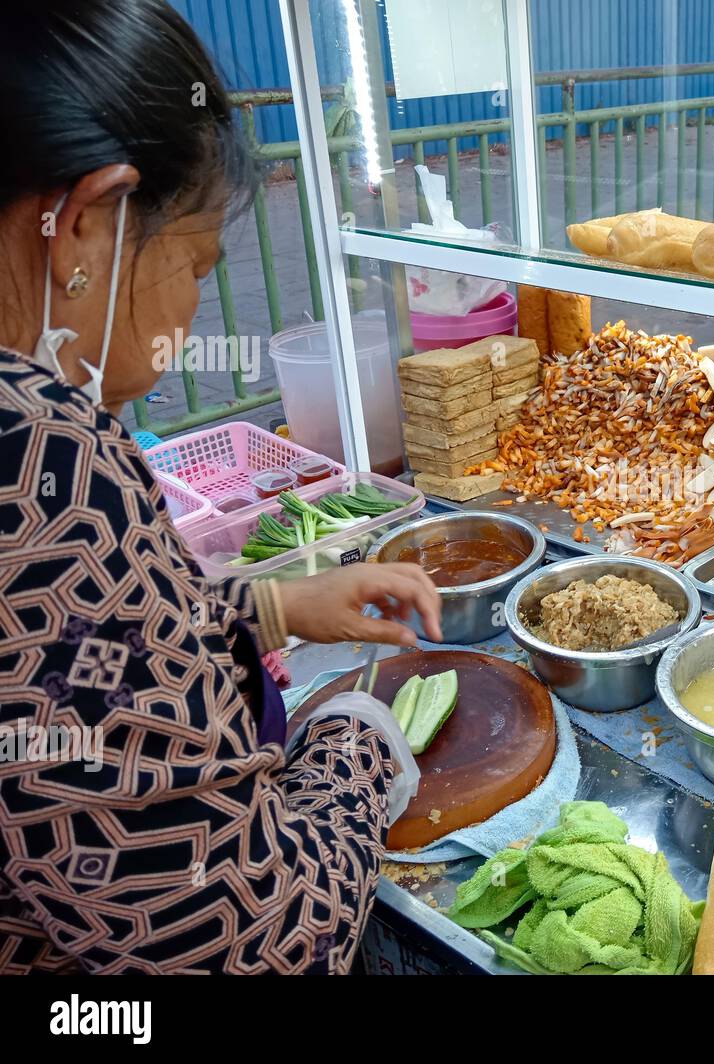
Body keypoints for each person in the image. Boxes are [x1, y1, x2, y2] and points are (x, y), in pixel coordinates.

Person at [0, 2, 440, 973]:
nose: (194, 315)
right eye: (197, 262)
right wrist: (355, 748)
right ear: (86, 221)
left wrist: (267, 606)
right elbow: (249, 940)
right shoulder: (48, 459)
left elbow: (71, 659)